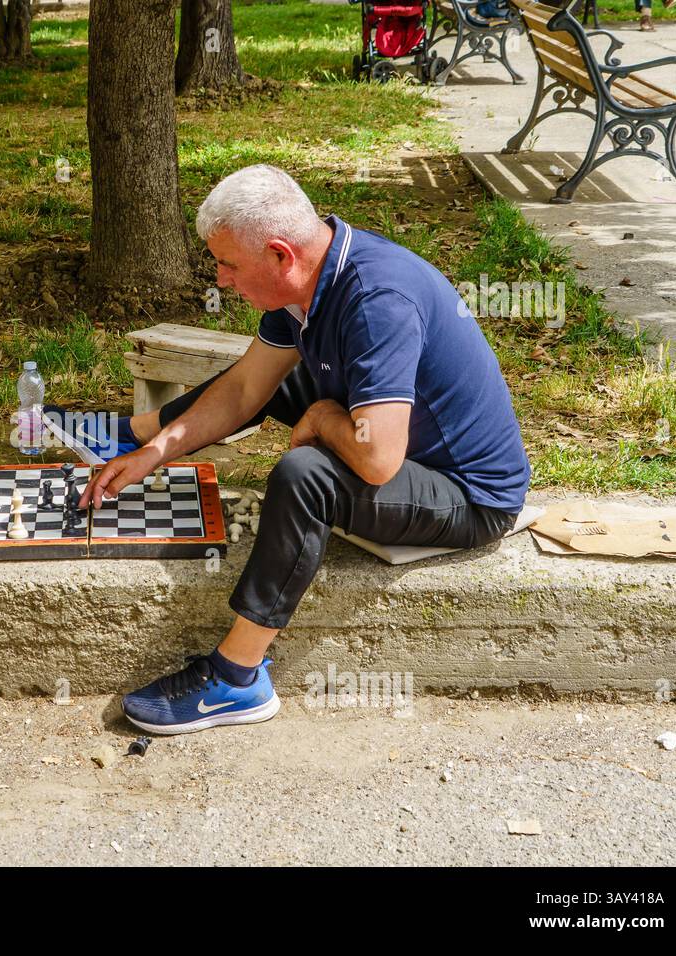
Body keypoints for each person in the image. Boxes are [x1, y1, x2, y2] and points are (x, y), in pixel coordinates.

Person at [77, 165, 531, 735]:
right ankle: (134, 434)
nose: (220, 280)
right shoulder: (309, 282)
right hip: (405, 448)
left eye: (228, 265)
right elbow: (246, 388)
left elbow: (377, 461)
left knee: (304, 473)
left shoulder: (376, 301)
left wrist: (322, 416)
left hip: (468, 496)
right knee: (280, 383)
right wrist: (157, 452)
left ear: (279, 254)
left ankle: (235, 679)